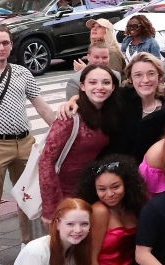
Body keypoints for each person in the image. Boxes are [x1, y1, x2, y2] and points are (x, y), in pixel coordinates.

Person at [39, 65, 120, 221]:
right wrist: (50, 208)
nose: (99, 87)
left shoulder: (108, 112)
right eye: (93, 82)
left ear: (113, 86)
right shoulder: (71, 116)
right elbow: (46, 161)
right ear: (82, 86)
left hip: (88, 188)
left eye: (105, 82)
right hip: (62, 191)